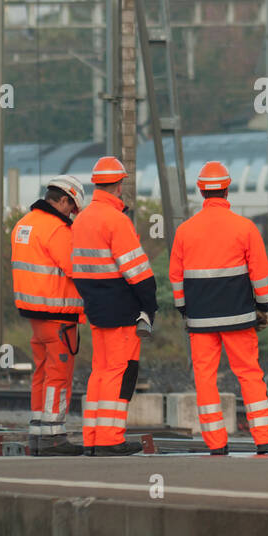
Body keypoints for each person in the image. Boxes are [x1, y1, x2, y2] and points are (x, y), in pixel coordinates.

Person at [169, 161, 268, 456]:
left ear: (201, 190)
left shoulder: (185, 231)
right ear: (227, 188)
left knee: (205, 378)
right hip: (239, 316)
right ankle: (263, 438)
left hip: (200, 320)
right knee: (248, 373)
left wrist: (184, 310)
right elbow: (259, 272)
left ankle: (216, 443)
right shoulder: (244, 227)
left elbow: (176, 276)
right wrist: (263, 305)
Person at [69, 156, 158, 456]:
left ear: (96, 184)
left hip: (95, 308)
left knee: (100, 371)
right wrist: (150, 305)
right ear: (119, 185)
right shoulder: (116, 221)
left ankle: (93, 438)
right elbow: (138, 272)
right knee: (120, 372)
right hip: (121, 308)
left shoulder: (81, 219)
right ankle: (110, 439)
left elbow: (77, 270)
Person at [11, 174, 87, 456]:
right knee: (58, 376)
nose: (72, 214)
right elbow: (76, 268)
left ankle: (38, 433)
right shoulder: (57, 230)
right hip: (58, 315)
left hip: (35, 316)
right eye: (72, 208)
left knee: (41, 374)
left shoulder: (23, 225)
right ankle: (54, 436)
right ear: (64, 200)